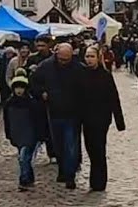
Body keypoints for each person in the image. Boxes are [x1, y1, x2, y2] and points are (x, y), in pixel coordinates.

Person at [33, 42, 88, 188]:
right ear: (57, 54)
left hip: (73, 113)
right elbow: (34, 83)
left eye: (66, 59)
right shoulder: (46, 66)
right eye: (61, 59)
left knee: (71, 144)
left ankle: (70, 175)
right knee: (58, 144)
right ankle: (63, 170)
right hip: (54, 111)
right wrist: (41, 93)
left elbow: (86, 89)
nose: (63, 62)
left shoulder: (79, 68)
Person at [82, 45, 125, 192]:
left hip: (101, 118)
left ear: (98, 58)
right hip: (86, 118)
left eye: (92, 56)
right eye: (87, 56)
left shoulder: (105, 75)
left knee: (99, 149)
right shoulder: (82, 74)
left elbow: (114, 98)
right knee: (90, 149)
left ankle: (99, 181)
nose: (89, 59)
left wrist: (119, 121)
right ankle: (94, 180)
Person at [3, 70, 40, 190]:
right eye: (17, 88)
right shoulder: (9, 103)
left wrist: (40, 135)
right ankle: (29, 178)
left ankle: (23, 179)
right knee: (24, 158)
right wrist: (9, 134)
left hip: (30, 134)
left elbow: (38, 120)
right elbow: (7, 121)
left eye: (21, 88)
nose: (19, 90)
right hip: (17, 134)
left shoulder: (32, 103)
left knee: (23, 157)